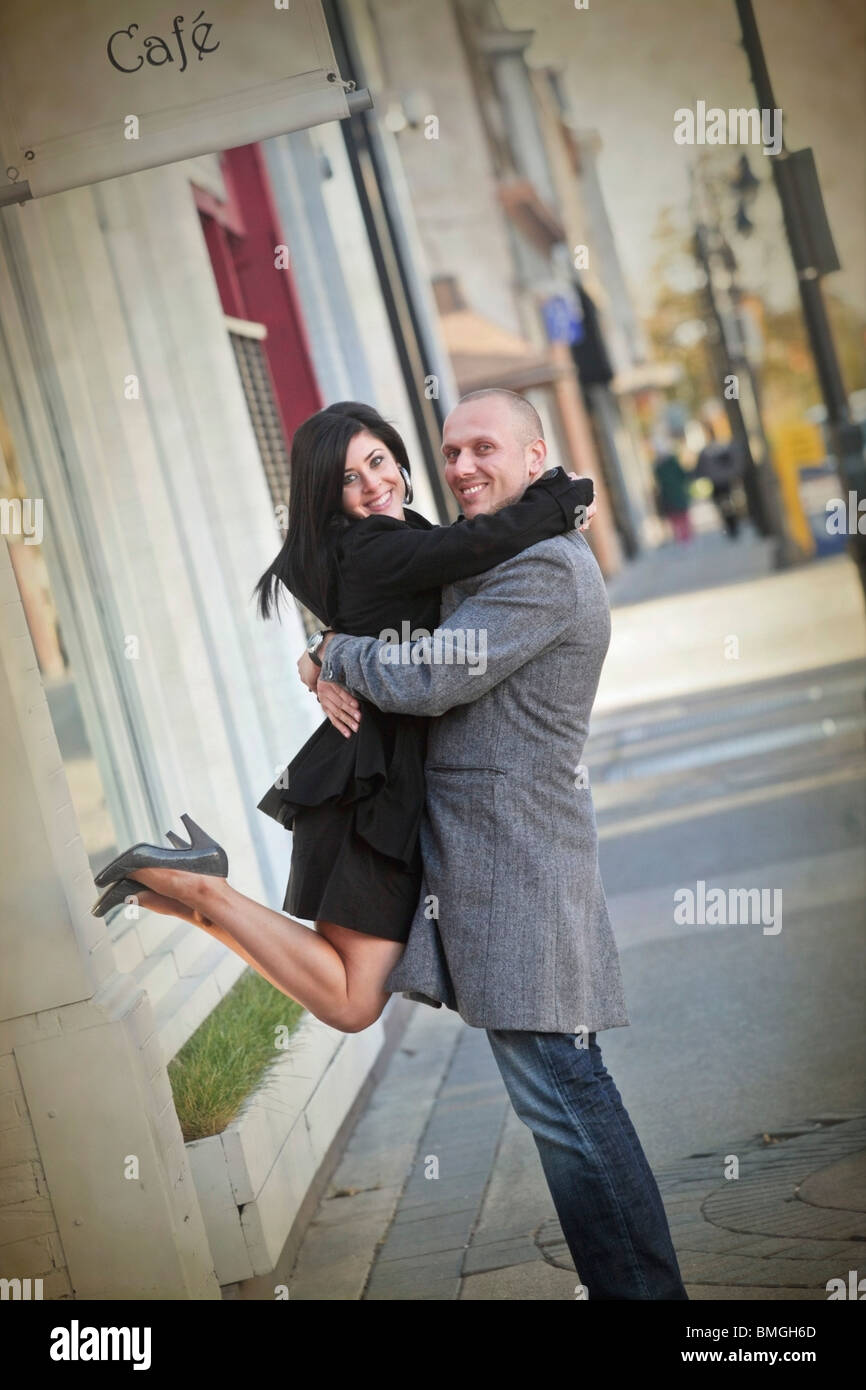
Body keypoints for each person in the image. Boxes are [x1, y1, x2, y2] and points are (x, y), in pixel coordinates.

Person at [311, 389, 688, 1300]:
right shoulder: (508, 553)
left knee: (567, 1099)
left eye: (485, 447)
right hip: (495, 867)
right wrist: (323, 647)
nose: (464, 466)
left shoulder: (546, 569)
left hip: (517, 866)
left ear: (534, 456)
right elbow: (416, 597)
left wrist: (336, 657)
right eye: (450, 453)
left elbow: (438, 672)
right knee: (560, 1098)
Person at [90, 401, 593, 1037]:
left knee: (348, 990)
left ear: (399, 459)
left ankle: (186, 897)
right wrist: (563, 501)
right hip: (370, 782)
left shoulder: (398, 534)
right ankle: (204, 888)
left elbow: (395, 600)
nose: (373, 483)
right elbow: (476, 544)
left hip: (378, 769)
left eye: (378, 461)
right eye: (349, 479)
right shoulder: (375, 543)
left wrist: (322, 654)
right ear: (331, 499)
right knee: (353, 1000)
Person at [695, 423, 743, 539]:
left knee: (724, 506)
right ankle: (733, 527)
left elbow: (700, 469)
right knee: (728, 505)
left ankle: (731, 527)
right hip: (724, 480)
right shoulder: (723, 447)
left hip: (717, 482)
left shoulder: (707, 451)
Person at [652, 441, 693, 543]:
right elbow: (683, 476)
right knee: (680, 516)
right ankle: (685, 537)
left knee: (678, 517)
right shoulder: (669, 464)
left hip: (671, 495)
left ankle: (683, 537)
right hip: (675, 494)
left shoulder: (659, 466)